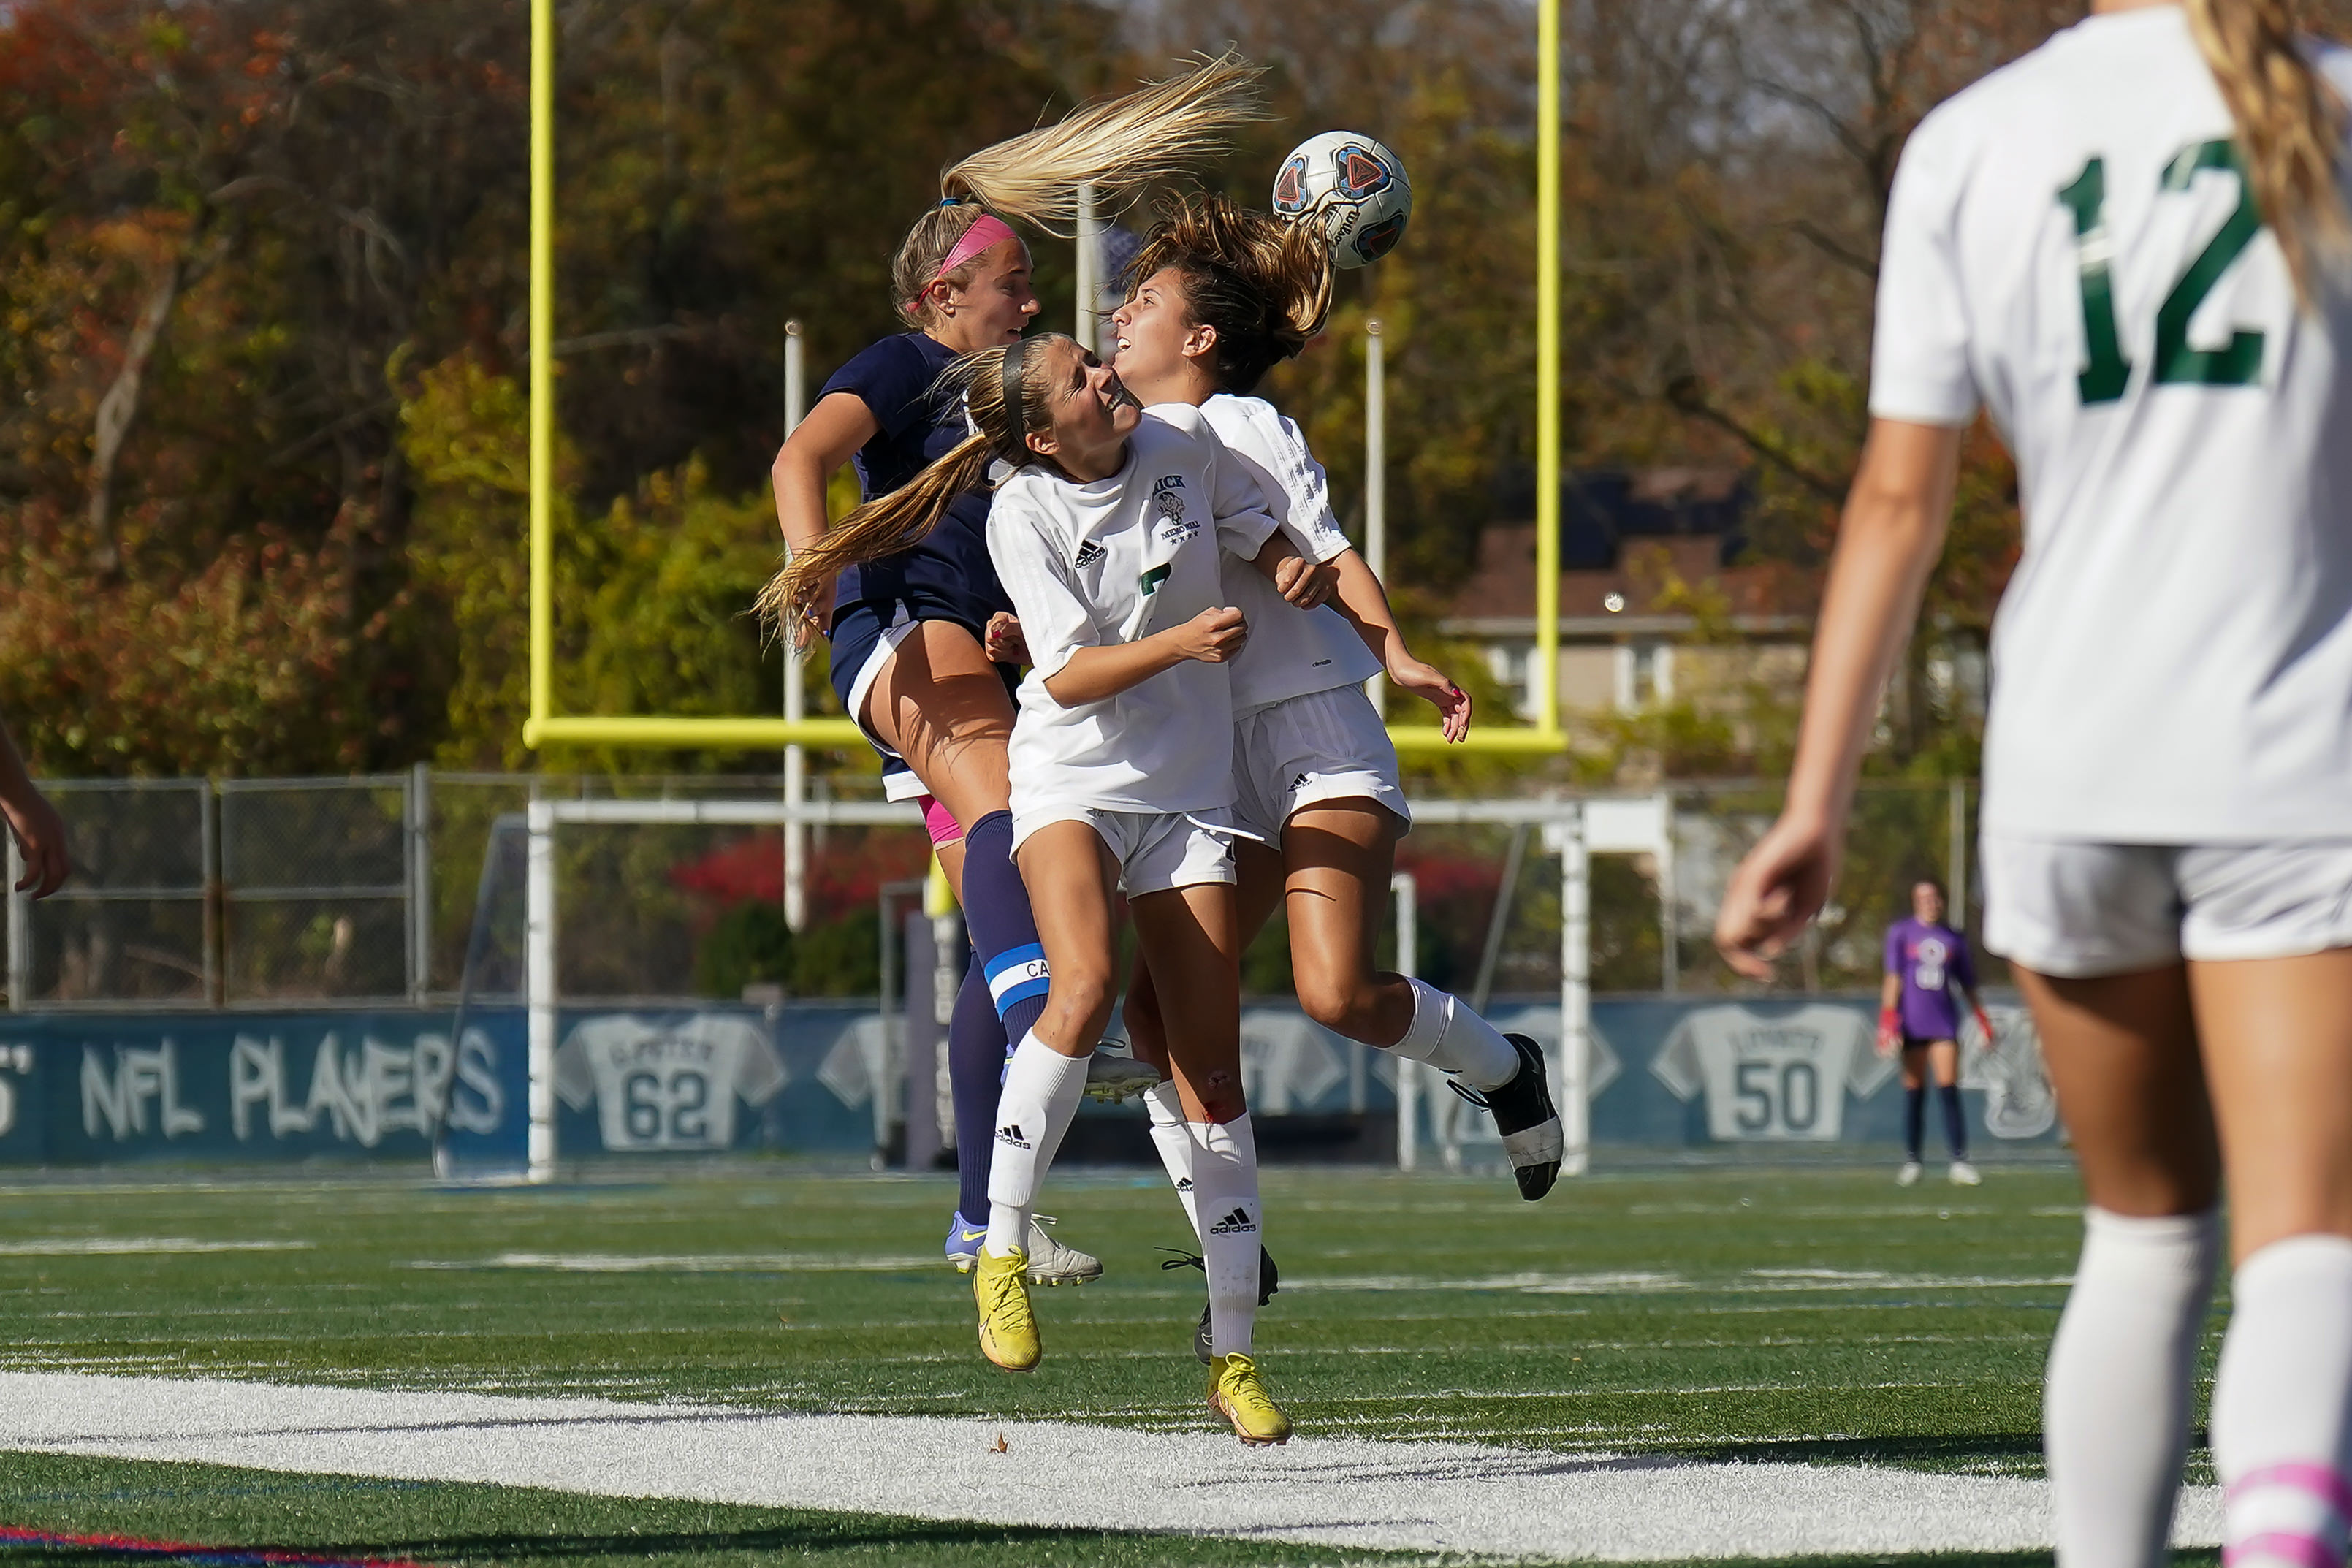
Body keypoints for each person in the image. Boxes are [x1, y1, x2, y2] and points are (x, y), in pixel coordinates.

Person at [1713, 3, 2352, 1564]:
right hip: (2292, 748)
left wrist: (1813, 800)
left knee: (2142, 1234)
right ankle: (2282, 1529)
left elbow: (1895, 500)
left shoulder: (1973, 139)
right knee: (2305, 1241)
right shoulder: (2330, 106)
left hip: (2068, 752)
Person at [769, 331, 1331, 1445]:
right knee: (1076, 992)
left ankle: (1232, 1355)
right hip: (1070, 777)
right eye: (1080, 377)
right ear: (1038, 434)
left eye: (1095, 360)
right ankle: (998, 1250)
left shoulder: (1180, 440)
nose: (1106, 376)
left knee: (1211, 1072)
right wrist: (1182, 643)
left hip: (1185, 792)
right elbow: (1066, 678)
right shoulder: (1021, 508)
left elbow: (1246, 519)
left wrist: (1280, 561)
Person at [766, 55, 1264, 1287]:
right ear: (942, 294)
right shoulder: (902, 363)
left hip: (964, 650)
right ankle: (1052, 1023)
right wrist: (810, 563)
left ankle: (977, 1213)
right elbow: (798, 458)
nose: (1031, 299)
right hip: (899, 630)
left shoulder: (1024, 400)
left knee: (1006, 916)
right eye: (1011, 283)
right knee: (1019, 835)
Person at [1104, 194, 1563, 1358]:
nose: (1118, 314)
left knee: (1334, 993)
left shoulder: (1241, 422)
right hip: (1209, 752)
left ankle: (1505, 1068)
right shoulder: (1118, 446)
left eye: (1144, 301)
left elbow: (1328, 548)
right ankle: (1229, 1237)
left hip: (1311, 725)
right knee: (1153, 1013)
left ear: (1199, 339)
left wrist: (1394, 651)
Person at [1879, 877, 1993, 1187]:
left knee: (1948, 1089)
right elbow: (1893, 978)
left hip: (1943, 1021)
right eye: (1924, 898)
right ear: (1915, 901)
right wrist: (1888, 1021)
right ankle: (1913, 1161)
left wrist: (1983, 1019)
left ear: (1942, 901)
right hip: (1912, 1022)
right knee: (1915, 1092)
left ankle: (1959, 1161)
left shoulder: (1953, 938)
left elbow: (1967, 984)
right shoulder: (1902, 933)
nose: (1930, 903)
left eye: (1935, 898)